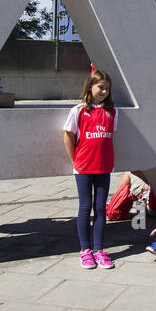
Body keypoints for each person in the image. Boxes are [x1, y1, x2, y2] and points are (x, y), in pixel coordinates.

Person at [63, 68, 118, 269]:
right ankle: (85, 250)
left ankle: (99, 249)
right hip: (84, 167)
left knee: (101, 208)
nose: (104, 91)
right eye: (100, 87)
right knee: (85, 208)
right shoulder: (78, 111)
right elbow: (68, 136)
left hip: (103, 167)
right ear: (90, 86)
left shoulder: (113, 111)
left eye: (107, 89)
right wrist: (74, 161)